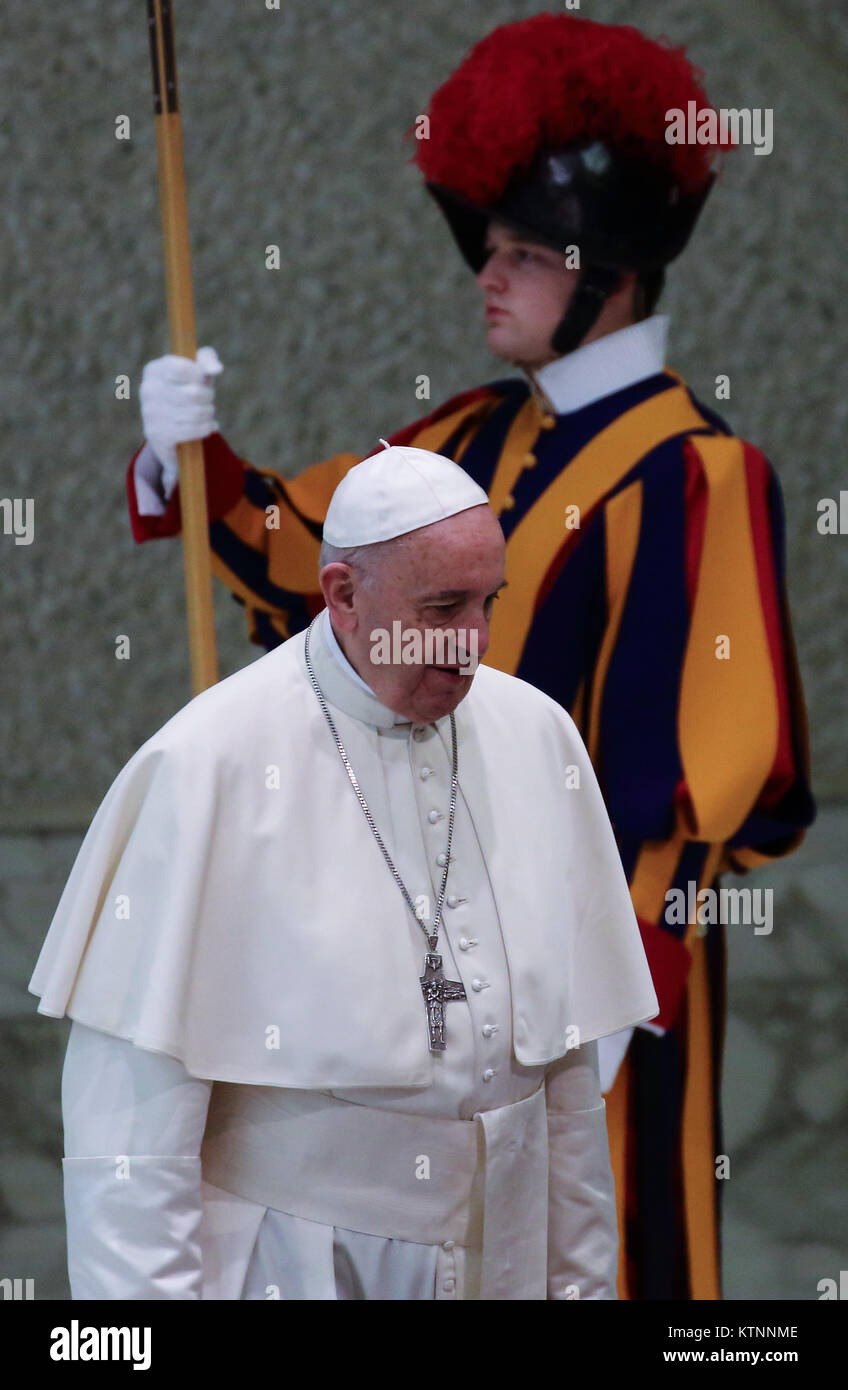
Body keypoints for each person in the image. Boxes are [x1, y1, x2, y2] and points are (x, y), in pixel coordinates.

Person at [124, 14, 815, 1298]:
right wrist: (194, 455)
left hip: (604, 961)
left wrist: (617, 981)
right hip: (439, 935)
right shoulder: (469, 433)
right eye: (485, 250)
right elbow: (306, 550)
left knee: (611, 1242)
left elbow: (704, 778)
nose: (485, 279)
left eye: (516, 254)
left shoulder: (699, 472)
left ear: (602, 267)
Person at [30, 445, 659, 1301]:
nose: (470, 646)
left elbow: (570, 1086)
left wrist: (582, 1286)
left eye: (487, 604)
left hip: (504, 1261)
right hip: (300, 1266)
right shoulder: (208, 761)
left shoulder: (536, 734)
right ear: (344, 595)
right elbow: (129, 1134)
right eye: (442, 609)